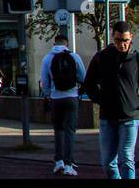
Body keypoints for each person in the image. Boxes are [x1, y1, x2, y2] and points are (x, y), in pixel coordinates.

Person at [83, 20, 139, 179]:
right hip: (107, 117)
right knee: (108, 162)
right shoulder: (102, 58)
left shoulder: (136, 59)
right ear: (113, 38)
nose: (122, 44)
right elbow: (89, 83)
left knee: (126, 158)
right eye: (118, 40)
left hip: (130, 117)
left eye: (126, 40)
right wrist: (100, 100)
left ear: (131, 38)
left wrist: (136, 104)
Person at [39, 32, 87, 176]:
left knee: (58, 130)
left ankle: (58, 161)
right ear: (66, 44)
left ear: (54, 43)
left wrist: (48, 95)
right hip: (71, 97)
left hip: (55, 98)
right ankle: (68, 163)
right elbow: (83, 76)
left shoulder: (47, 58)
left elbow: (44, 81)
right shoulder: (74, 56)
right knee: (70, 131)